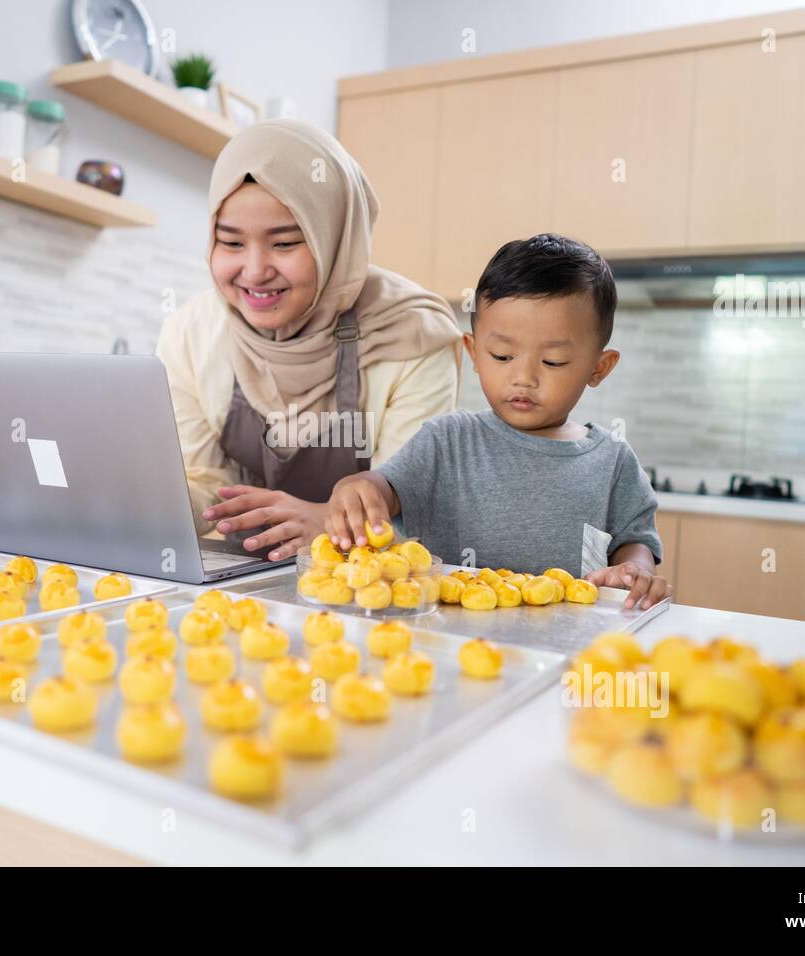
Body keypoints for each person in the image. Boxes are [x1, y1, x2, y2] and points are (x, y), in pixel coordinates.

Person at [155, 120, 462, 561]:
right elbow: (210, 488)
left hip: (367, 585)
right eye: (231, 242)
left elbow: (417, 506)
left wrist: (330, 523)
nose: (255, 270)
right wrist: (154, 500)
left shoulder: (412, 334)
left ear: (334, 235)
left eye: (284, 243)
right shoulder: (190, 333)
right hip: (242, 583)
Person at [325, 233, 672, 611]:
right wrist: (362, 487)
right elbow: (386, 487)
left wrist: (634, 571)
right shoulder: (447, 441)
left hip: (567, 648)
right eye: (502, 355)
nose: (523, 377)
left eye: (553, 361)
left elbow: (635, 544)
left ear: (599, 368)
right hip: (453, 645)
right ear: (474, 353)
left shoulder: (612, 462)